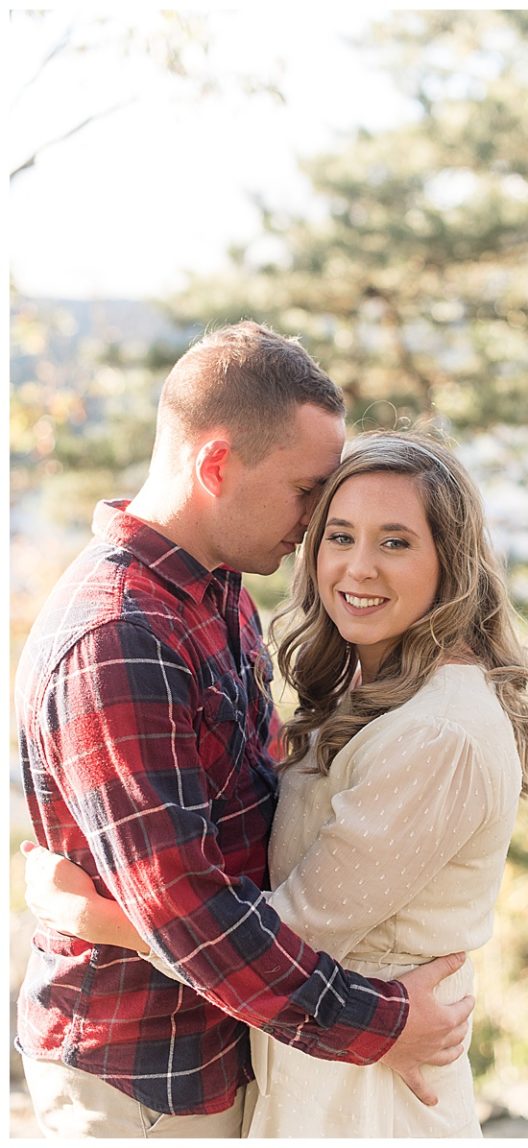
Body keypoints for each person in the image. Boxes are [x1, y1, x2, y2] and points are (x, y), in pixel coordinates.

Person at [14, 323, 472, 1138]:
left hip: (225, 1048)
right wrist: (382, 1026)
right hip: (145, 1078)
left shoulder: (217, 589)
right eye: (305, 490)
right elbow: (190, 913)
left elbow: (255, 820)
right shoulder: (120, 639)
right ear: (217, 465)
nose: (316, 519)